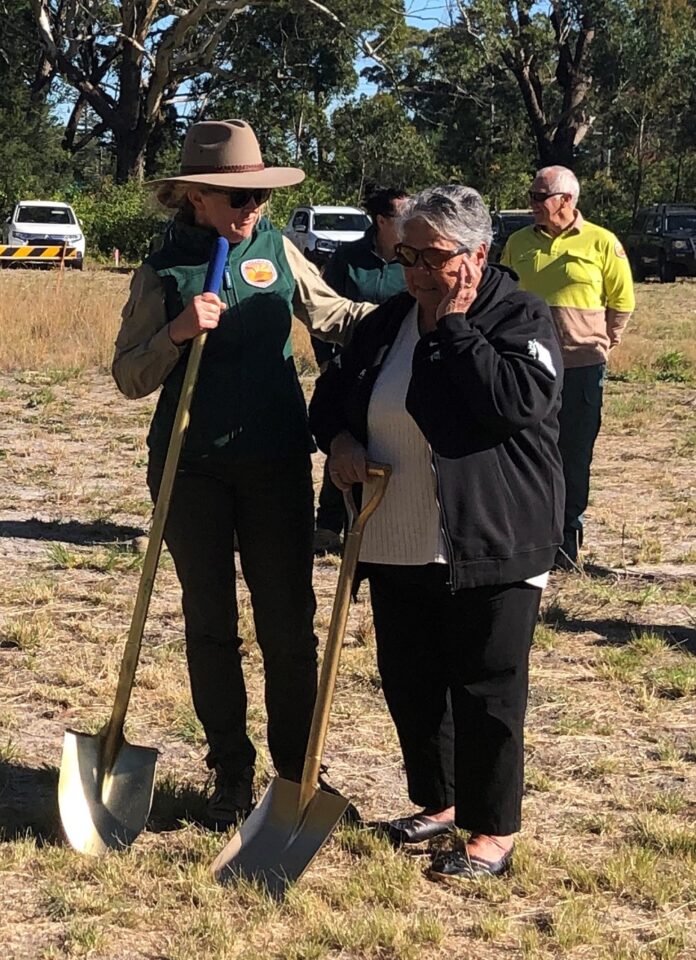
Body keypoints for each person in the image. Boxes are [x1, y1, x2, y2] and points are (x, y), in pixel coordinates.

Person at [112, 119, 376, 829]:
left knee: (289, 627)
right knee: (211, 625)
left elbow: (339, 315)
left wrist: (418, 309)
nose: (250, 208)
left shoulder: (277, 250)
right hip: (189, 470)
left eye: (257, 195)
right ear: (194, 196)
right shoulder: (161, 270)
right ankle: (230, 770)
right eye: (235, 197)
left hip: (275, 464)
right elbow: (128, 376)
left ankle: (297, 776)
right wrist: (175, 333)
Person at [309, 185, 564, 880]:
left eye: (434, 257)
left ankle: (491, 831)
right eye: (407, 255)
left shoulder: (519, 316)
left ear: (478, 255)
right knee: (413, 680)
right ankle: (441, 802)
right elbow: (329, 398)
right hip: (392, 531)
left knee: (486, 687)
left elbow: (512, 404)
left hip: (490, 536)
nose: (417, 271)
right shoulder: (386, 321)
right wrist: (337, 441)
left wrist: (455, 326)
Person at [501, 165, 635, 569]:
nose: (533, 204)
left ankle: (566, 536)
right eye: (531, 195)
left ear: (567, 200)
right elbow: (504, 293)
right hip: (527, 367)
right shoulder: (518, 242)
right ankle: (527, 533)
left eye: (540, 197)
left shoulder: (602, 243)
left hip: (581, 367)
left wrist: (600, 344)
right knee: (523, 448)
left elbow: (622, 302)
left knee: (573, 450)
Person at [312, 186, 408, 554]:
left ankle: (369, 521)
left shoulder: (411, 258)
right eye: (402, 215)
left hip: (396, 366)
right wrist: (326, 361)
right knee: (342, 440)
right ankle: (328, 523)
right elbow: (321, 312)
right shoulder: (347, 258)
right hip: (349, 367)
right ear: (381, 221)